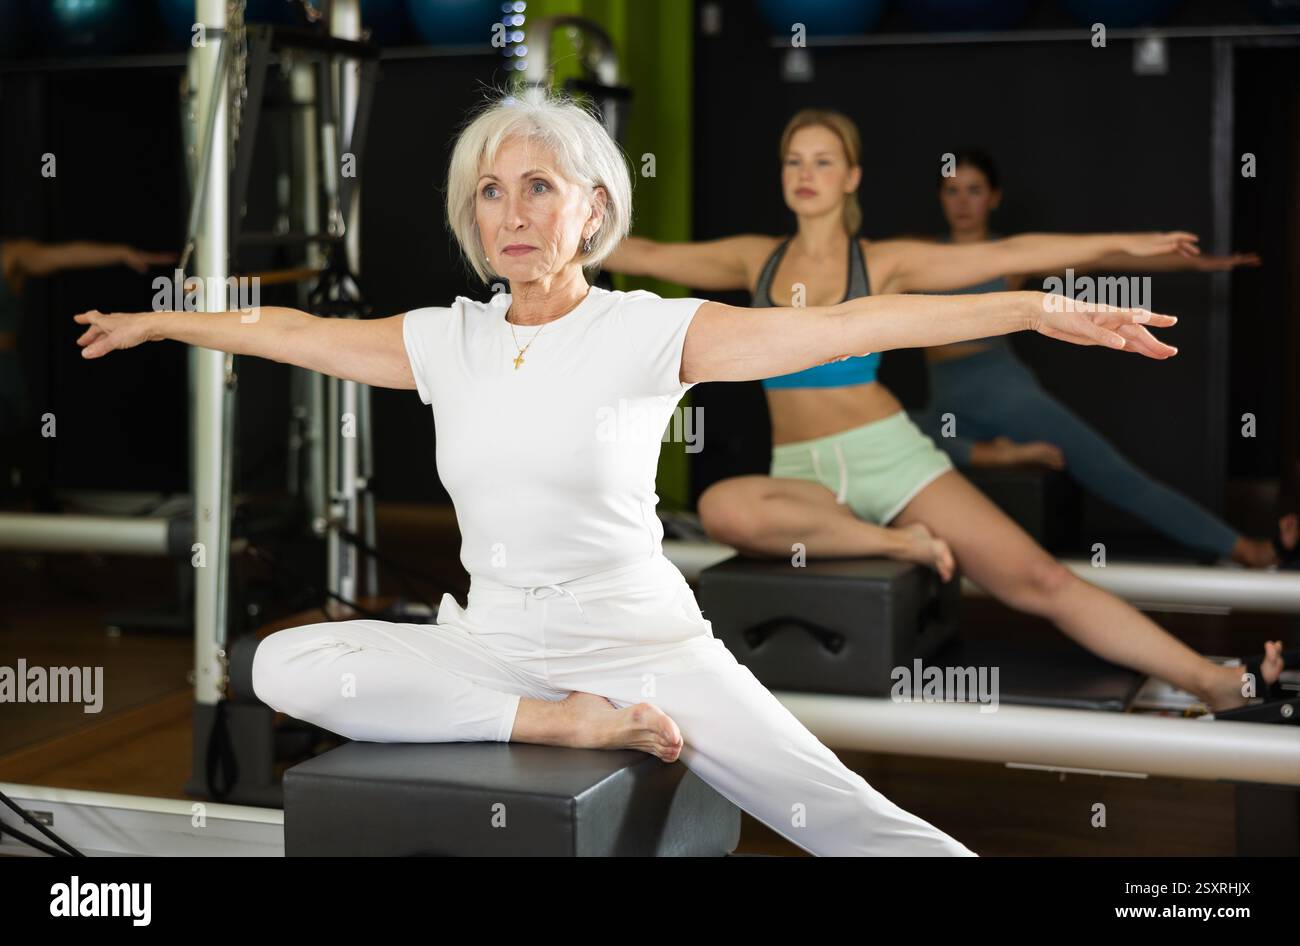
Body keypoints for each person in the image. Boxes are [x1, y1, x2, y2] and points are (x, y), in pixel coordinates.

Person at [66, 94, 1228, 857]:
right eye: (489, 190)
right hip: (491, 645)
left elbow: (848, 323)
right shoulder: (444, 337)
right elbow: (299, 335)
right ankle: (559, 725)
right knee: (279, 660)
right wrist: (166, 325)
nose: (511, 211)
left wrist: (1030, 304)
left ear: (592, 210)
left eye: (538, 188)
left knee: (857, 826)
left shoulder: (647, 329)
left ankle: (588, 711)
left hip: (642, 647)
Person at [603, 107, 1286, 723]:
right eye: (793, 161)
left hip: (890, 456)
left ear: (851, 178)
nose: (805, 174)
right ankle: (901, 545)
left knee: (1039, 581)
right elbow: (644, 255)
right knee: (723, 507)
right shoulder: (756, 257)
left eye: (823, 161)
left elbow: (1010, 254)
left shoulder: (885, 260)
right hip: (801, 475)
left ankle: (1211, 680)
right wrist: (550, 214)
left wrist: (1130, 244)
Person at [907, 149, 1288, 567]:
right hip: (946, 399)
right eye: (952, 190)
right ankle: (1005, 453)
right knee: (911, 435)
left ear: (994, 198)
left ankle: (1243, 548)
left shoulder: (1011, 252)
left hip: (1008, 394)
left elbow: (1106, 257)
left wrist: (1198, 266)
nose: (962, 202)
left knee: (1114, 474)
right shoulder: (922, 253)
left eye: (974, 190)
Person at [0, 238, 174, 506]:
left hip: (6, 382)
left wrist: (120, 253)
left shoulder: (10, 256)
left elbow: (64, 255)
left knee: (18, 462)